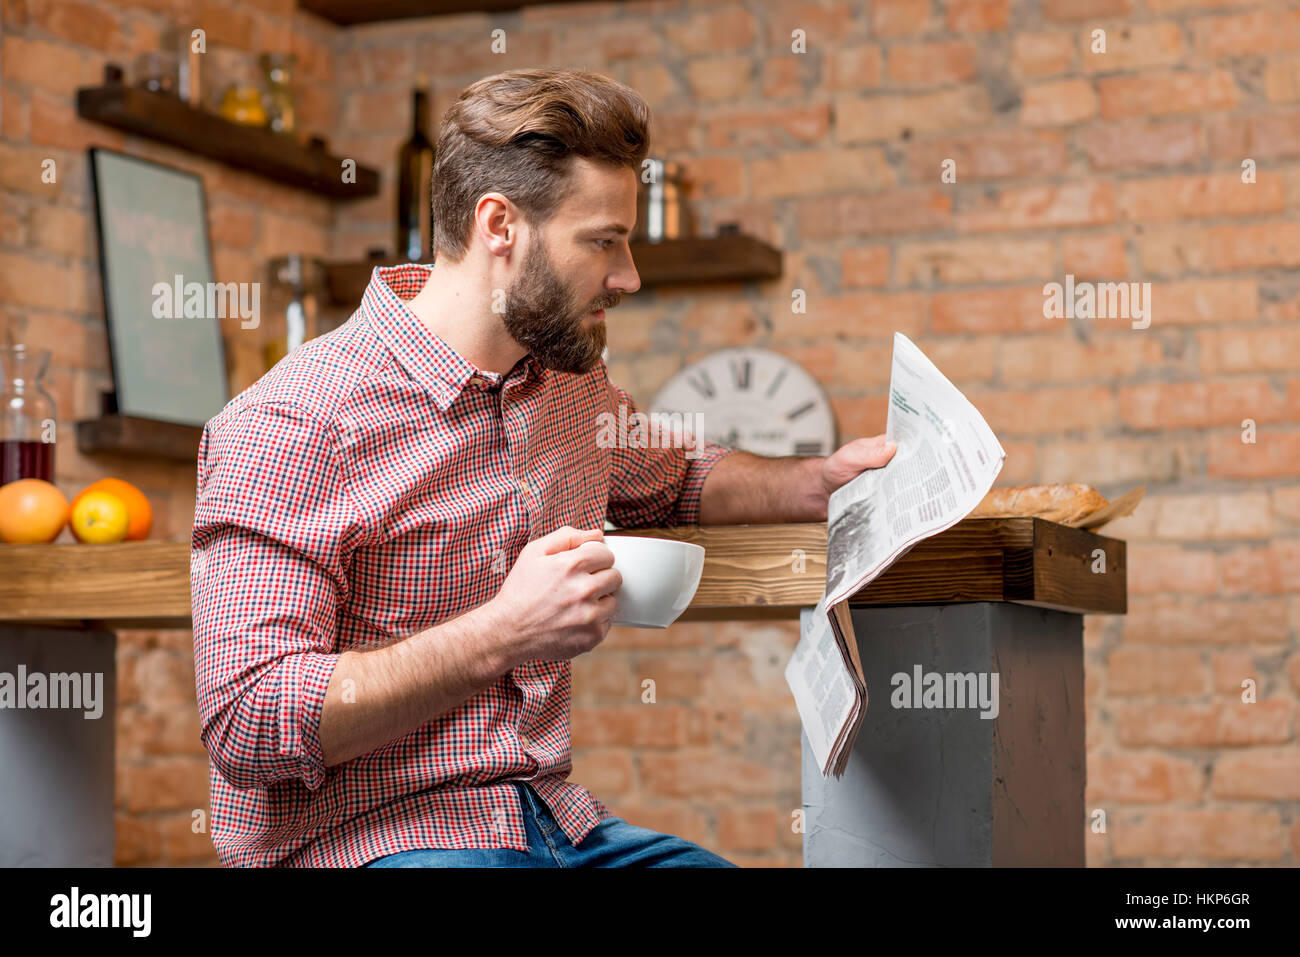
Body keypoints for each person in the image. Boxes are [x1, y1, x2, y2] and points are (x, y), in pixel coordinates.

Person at [190, 67, 897, 868]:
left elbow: (680, 475)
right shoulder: (294, 420)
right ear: (501, 226)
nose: (628, 276)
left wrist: (814, 481)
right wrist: (501, 632)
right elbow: (249, 721)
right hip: (369, 840)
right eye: (604, 240)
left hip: (552, 824)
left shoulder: (564, 385)